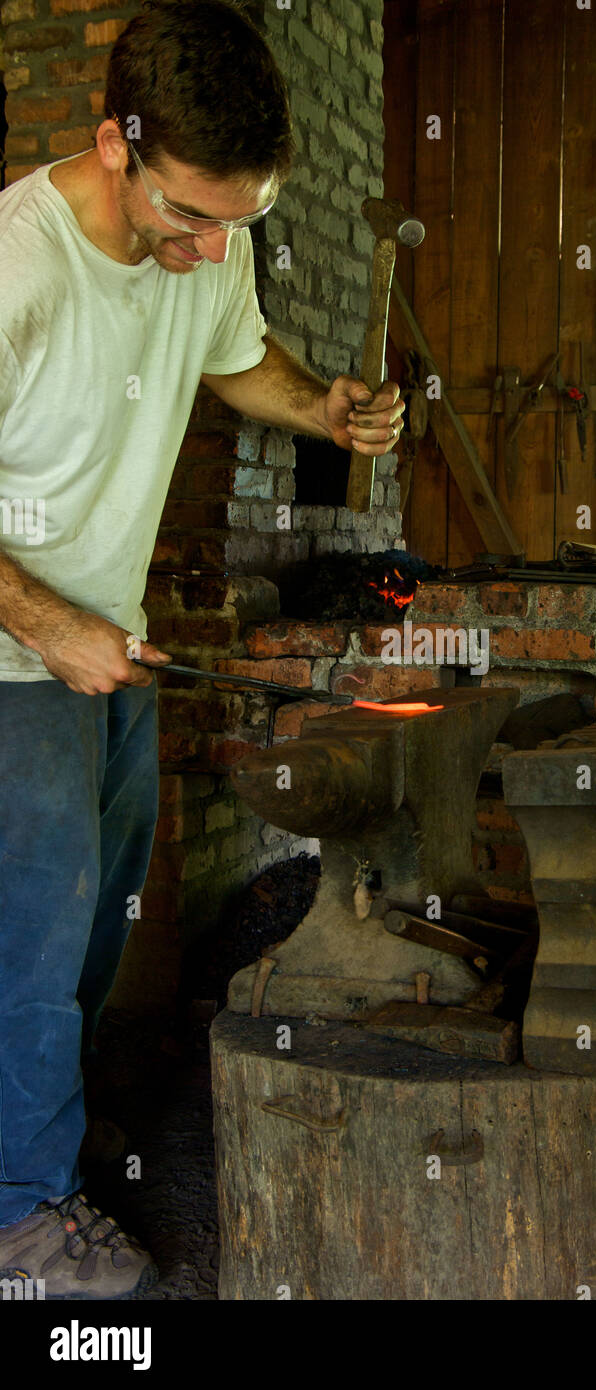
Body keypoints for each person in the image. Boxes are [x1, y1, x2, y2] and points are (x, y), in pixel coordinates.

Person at [0, 0, 403, 1299]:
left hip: (105, 649)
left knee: (101, 920)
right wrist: (51, 623)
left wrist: (323, 403)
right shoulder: (20, 263)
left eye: (239, 220)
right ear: (115, 143)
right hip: (14, 658)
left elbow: (238, 360)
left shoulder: (212, 245)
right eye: (191, 215)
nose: (214, 246)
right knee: (32, 941)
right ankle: (17, 1222)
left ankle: (35, 1138)